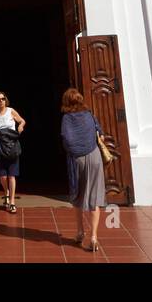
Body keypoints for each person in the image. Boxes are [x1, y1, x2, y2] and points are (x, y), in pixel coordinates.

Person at [60, 87, 106, 252]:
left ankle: (80, 232)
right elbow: (100, 134)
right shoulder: (89, 115)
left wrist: (72, 149)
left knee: (78, 195)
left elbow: (65, 137)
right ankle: (93, 237)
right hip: (94, 156)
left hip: (76, 158)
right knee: (94, 197)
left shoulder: (67, 118)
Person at [0, 91, 26, 213]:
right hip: (0, 147)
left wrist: (20, 126)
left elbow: (22, 121)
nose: (1, 101)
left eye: (3, 99)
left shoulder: (11, 111)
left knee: (12, 176)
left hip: (12, 146)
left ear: (6, 100)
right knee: (2, 177)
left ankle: (11, 201)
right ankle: (6, 191)